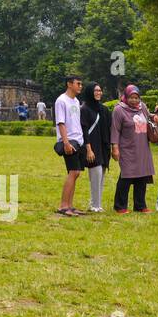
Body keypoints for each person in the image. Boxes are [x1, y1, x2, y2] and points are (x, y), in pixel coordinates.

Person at [110, 85, 157, 213]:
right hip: (127, 148)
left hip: (142, 148)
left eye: (136, 98)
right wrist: (115, 147)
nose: (134, 100)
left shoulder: (142, 107)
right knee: (126, 176)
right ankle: (120, 206)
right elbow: (115, 129)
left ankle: (140, 205)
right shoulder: (119, 110)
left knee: (142, 176)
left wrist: (155, 117)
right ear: (126, 96)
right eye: (131, 97)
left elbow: (148, 117)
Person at [54, 75, 86, 216]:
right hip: (69, 141)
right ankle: (63, 206)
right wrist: (65, 142)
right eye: (78, 83)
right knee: (73, 172)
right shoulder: (61, 101)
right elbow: (61, 122)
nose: (80, 86)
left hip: (78, 141)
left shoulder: (76, 101)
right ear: (69, 84)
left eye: (81, 84)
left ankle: (70, 206)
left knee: (76, 173)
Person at [80, 82, 111, 212]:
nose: (98, 93)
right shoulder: (85, 109)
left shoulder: (104, 109)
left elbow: (109, 127)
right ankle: (94, 204)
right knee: (96, 174)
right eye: (95, 90)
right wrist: (88, 149)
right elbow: (84, 129)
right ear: (90, 92)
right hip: (92, 146)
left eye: (100, 90)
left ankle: (98, 204)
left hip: (103, 146)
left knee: (101, 175)